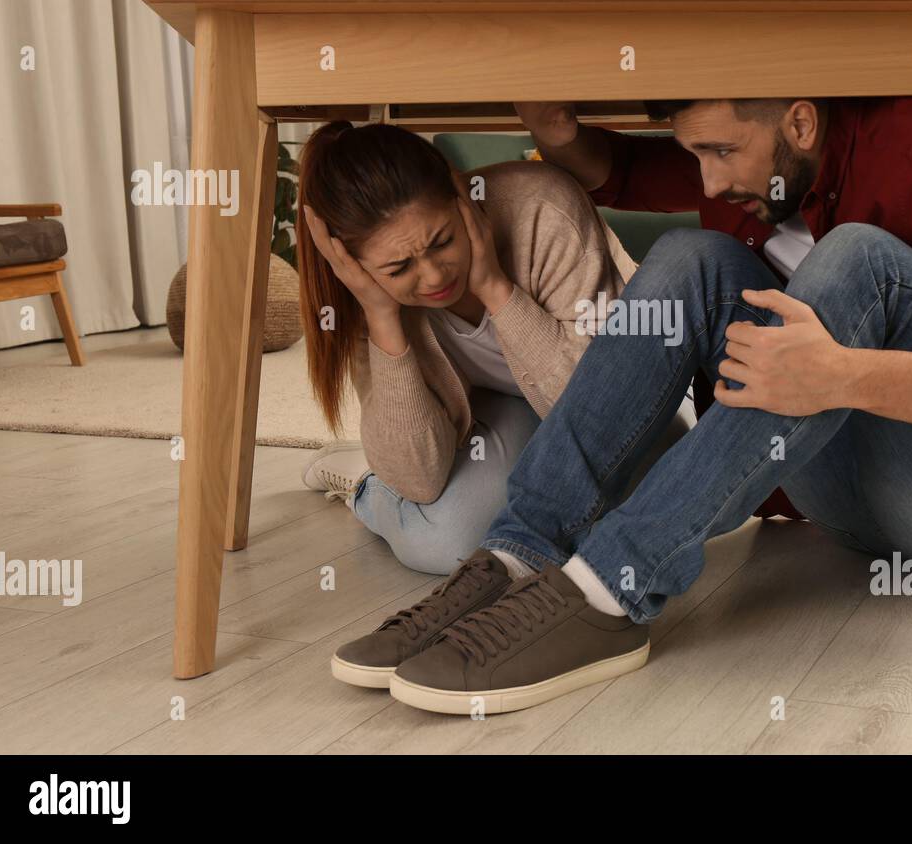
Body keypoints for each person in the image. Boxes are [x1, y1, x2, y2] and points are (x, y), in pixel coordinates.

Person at [341, 96, 912, 715]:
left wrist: (847, 376)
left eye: (720, 154)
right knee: (686, 257)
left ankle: (611, 589)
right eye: (693, 155)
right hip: (839, 506)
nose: (703, 184)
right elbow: (630, 168)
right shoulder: (754, 156)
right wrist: (561, 134)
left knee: (857, 256)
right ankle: (519, 552)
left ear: (800, 123)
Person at [293, 121, 691, 688]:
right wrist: (382, 315)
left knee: (662, 477)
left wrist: (494, 286)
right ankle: (364, 483)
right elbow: (420, 479)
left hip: (595, 405)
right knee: (449, 539)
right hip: (488, 424)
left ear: (459, 194)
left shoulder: (540, 209)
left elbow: (602, 417)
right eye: (399, 269)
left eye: (442, 242)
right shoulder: (361, 292)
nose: (433, 276)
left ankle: (380, 477)